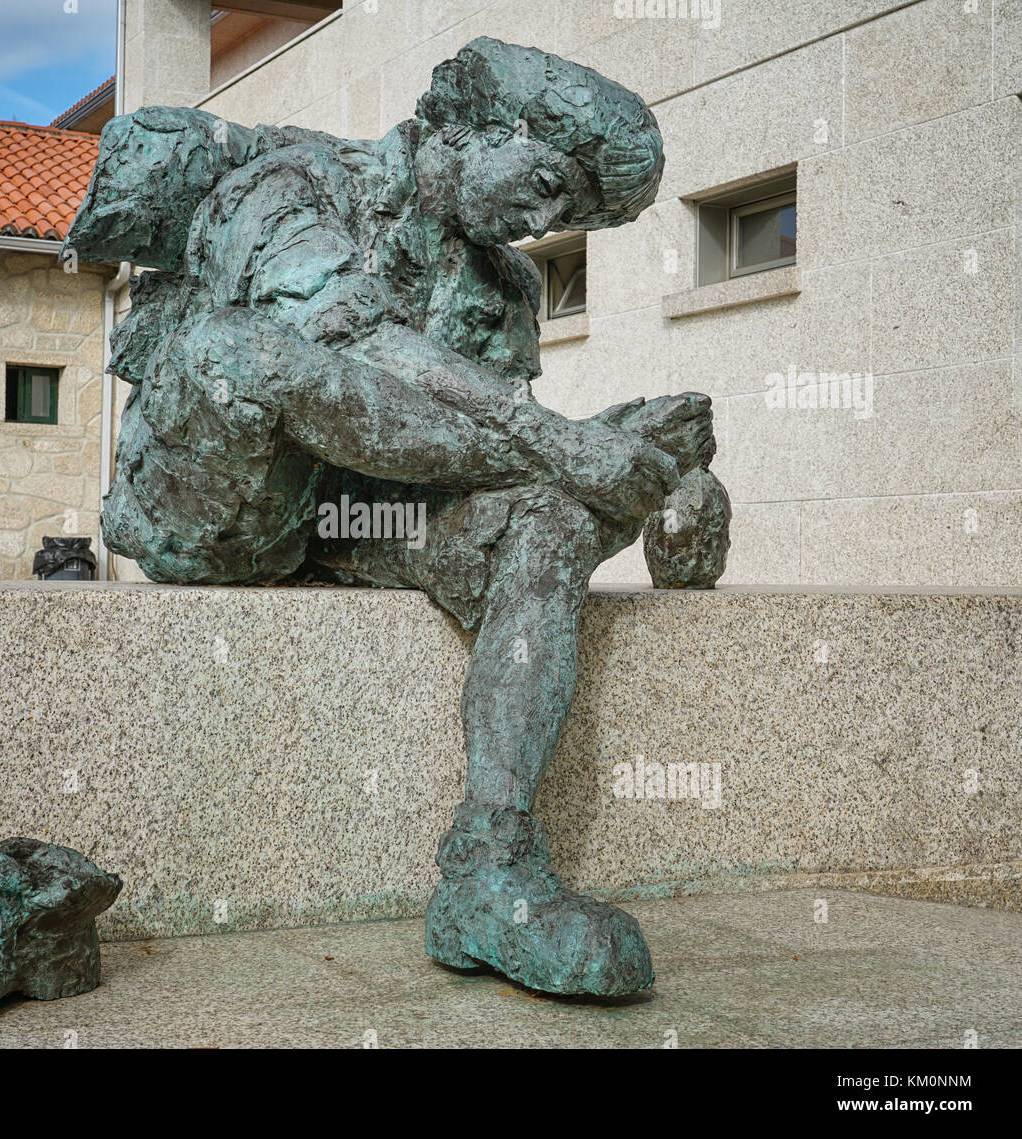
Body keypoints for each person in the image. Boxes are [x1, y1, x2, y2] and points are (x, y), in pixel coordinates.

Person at [68, 37, 719, 995]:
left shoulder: (501, 287)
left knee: (544, 514)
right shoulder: (300, 186)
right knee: (257, 353)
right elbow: (349, 361)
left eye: (572, 213)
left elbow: (459, 453)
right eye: (544, 182)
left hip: (344, 521)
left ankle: (489, 869)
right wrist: (574, 446)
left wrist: (648, 475)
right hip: (213, 505)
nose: (544, 221)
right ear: (478, 128)